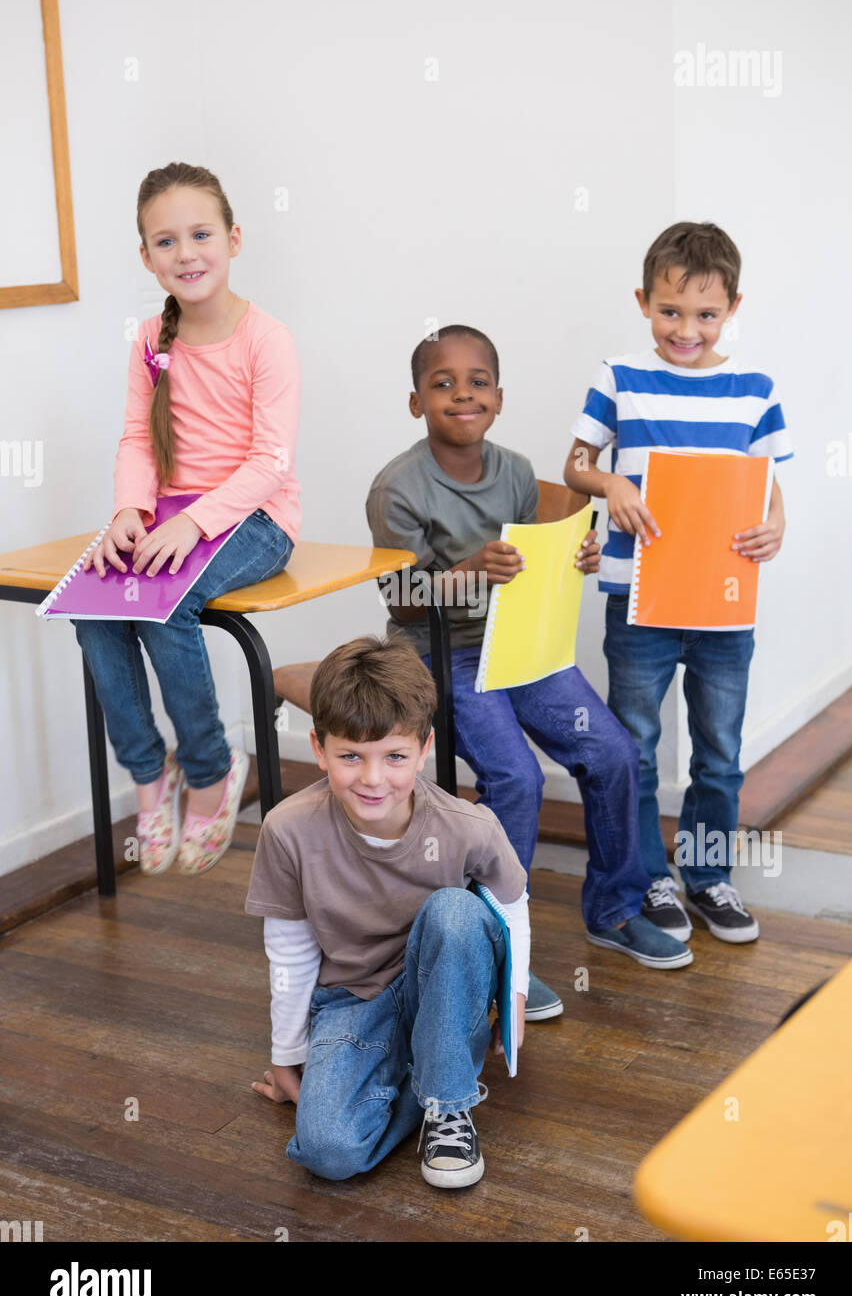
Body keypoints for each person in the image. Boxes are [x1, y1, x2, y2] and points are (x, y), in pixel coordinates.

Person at [365, 325, 693, 1009]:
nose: (463, 394)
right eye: (443, 383)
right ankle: (497, 947)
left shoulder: (514, 471)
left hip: (515, 644)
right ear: (415, 401)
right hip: (439, 650)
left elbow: (532, 570)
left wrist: (577, 559)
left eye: (478, 381)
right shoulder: (397, 487)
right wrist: (467, 573)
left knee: (611, 752)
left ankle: (614, 911)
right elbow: (401, 596)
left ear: (500, 396)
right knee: (513, 778)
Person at [564, 221, 792, 943]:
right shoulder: (619, 377)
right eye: (669, 311)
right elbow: (575, 463)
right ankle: (646, 875)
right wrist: (609, 485)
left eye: (704, 314)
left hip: (726, 603)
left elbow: (767, 485)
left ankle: (707, 873)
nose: (684, 329)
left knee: (718, 749)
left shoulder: (754, 390)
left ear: (732, 308)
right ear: (643, 300)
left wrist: (777, 528)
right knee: (632, 743)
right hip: (640, 600)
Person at [73, 161, 301, 877]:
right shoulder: (150, 339)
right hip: (172, 516)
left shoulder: (267, 339)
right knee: (93, 607)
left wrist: (194, 524)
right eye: (165, 242)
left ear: (233, 238)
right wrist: (127, 514)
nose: (187, 253)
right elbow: (139, 441)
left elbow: (269, 461)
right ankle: (150, 773)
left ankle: (210, 769)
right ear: (147, 257)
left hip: (256, 517)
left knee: (165, 607)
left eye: (201, 234)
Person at [247, 636, 529, 1189]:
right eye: (350, 755)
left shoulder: (469, 826)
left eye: (394, 757)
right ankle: (428, 1068)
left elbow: (513, 909)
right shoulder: (287, 830)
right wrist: (287, 1055)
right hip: (352, 999)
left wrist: (514, 996)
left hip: (440, 974)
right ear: (318, 747)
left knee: (454, 912)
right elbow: (289, 949)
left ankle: (448, 1105)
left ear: (424, 749)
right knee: (326, 1152)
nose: (373, 779)